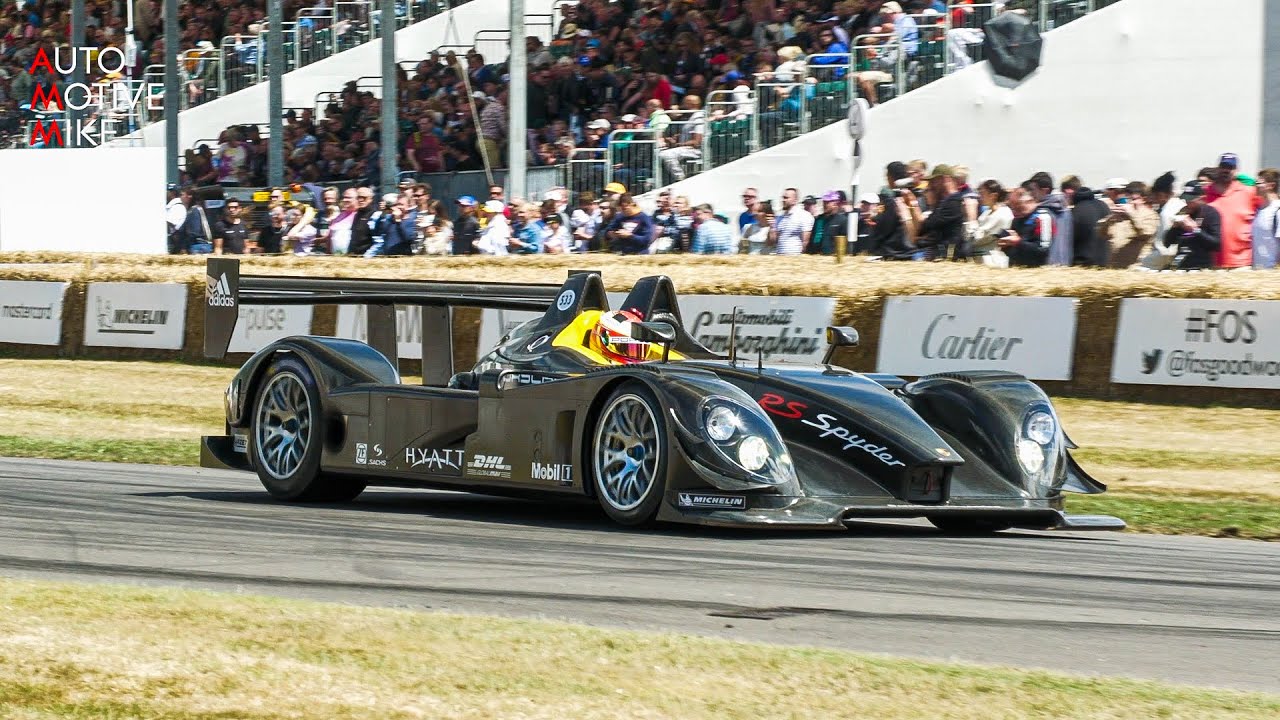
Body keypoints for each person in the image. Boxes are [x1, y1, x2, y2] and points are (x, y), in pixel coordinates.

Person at [905, 164, 968, 260]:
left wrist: (913, 203)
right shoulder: (946, 202)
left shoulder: (953, 202)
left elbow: (926, 226)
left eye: (934, 181)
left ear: (945, 179)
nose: (932, 185)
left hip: (946, 254)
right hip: (940, 252)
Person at [1208, 165, 1258, 269]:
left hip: (1242, 261)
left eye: (1230, 167)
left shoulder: (1249, 191)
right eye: (1223, 166)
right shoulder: (1207, 191)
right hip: (1214, 261)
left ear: (1236, 171)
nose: (1226, 170)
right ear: (1218, 169)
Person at [1100, 181, 1158, 268]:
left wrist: (1132, 215)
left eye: (1134, 199)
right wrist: (1109, 220)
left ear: (1143, 199)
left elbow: (1145, 233)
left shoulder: (1151, 215)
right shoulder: (1122, 215)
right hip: (1115, 266)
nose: (1130, 203)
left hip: (1136, 267)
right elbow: (1102, 234)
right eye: (1127, 199)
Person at [1165, 181, 1222, 270]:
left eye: (1191, 200)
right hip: (1181, 263)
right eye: (1185, 199)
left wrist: (1195, 230)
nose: (1187, 203)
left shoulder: (1211, 213)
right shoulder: (1183, 211)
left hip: (1202, 266)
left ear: (1201, 198)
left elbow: (1216, 244)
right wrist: (1174, 228)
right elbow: (1167, 243)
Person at [1140, 172, 1185, 271]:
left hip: (1168, 258)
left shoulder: (1166, 213)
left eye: (1155, 195)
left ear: (1161, 194)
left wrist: (1144, 263)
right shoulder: (1181, 204)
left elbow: (1164, 249)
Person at [999, 187, 1053, 267]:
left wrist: (1018, 242)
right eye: (1012, 207)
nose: (1014, 210)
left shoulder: (1042, 218)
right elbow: (1012, 250)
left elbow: (1042, 250)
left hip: (1036, 270)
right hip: (1016, 269)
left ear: (1030, 201)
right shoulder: (1017, 219)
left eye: (1018, 205)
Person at [968, 179, 1013, 266]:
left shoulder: (1002, 214)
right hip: (981, 256)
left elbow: (978, 238)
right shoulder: (987, 212)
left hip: (992, 260)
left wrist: (972, 220)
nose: (980, 197)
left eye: (982, 194)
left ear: (993, 196)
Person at [1070, 187, 1111, 267]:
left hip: (1084, 262)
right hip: (1105, 259)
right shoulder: (1104, 206)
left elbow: (1071, 238)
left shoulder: (1077, 211)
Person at [768, 187, 813, 255]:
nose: (783, 200)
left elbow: (805, 241)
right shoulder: (779, 217)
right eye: (783, 197)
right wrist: (772, 228)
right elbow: (773, 241)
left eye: (786, 198)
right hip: (780, 256)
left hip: (795, 257)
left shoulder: (804, 216)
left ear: (795, 200)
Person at [1251, 168, 1279, 270]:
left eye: (1259, 183)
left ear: (1271, 185)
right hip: (1258, 273)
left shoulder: (1277, 210)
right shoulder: (1260, 210)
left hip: (1272, 273)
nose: (1255, 185)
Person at [811, 191, 850, 255]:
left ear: (835, 203)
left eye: (828, 202)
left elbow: (846, 242)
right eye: (824, 202)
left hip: (833, 257)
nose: (825, 205)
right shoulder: (819, 219)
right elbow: (814, 238)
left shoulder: (842, 220)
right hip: (817, 257)